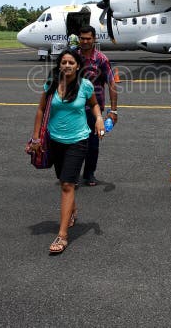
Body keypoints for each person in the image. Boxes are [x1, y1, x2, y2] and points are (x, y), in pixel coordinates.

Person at [30, 48, 105, 254]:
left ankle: (62, 235)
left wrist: (98, 118)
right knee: (65, 181)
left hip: (78, 141)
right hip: (54, 141)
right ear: (59, 64)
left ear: (78, 66)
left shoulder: (85, 86)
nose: (67, 66)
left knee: (66, 185)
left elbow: (94, 105)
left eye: (71, 62)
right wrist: (36, 137)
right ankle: (72, 209)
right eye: (64, 62)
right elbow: (40, 110)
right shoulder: (52, 84)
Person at [77, 26, 118, 186]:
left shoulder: (101, 59)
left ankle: (89, 174)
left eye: (88, 38)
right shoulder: (73, 56)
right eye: (82, 38)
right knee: (74, 142)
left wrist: (113, 111)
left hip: (94, 109)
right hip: (75, 108)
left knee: (93, 144)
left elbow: (111, 84)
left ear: (94, 39)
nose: (85, 41)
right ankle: (72, 173)